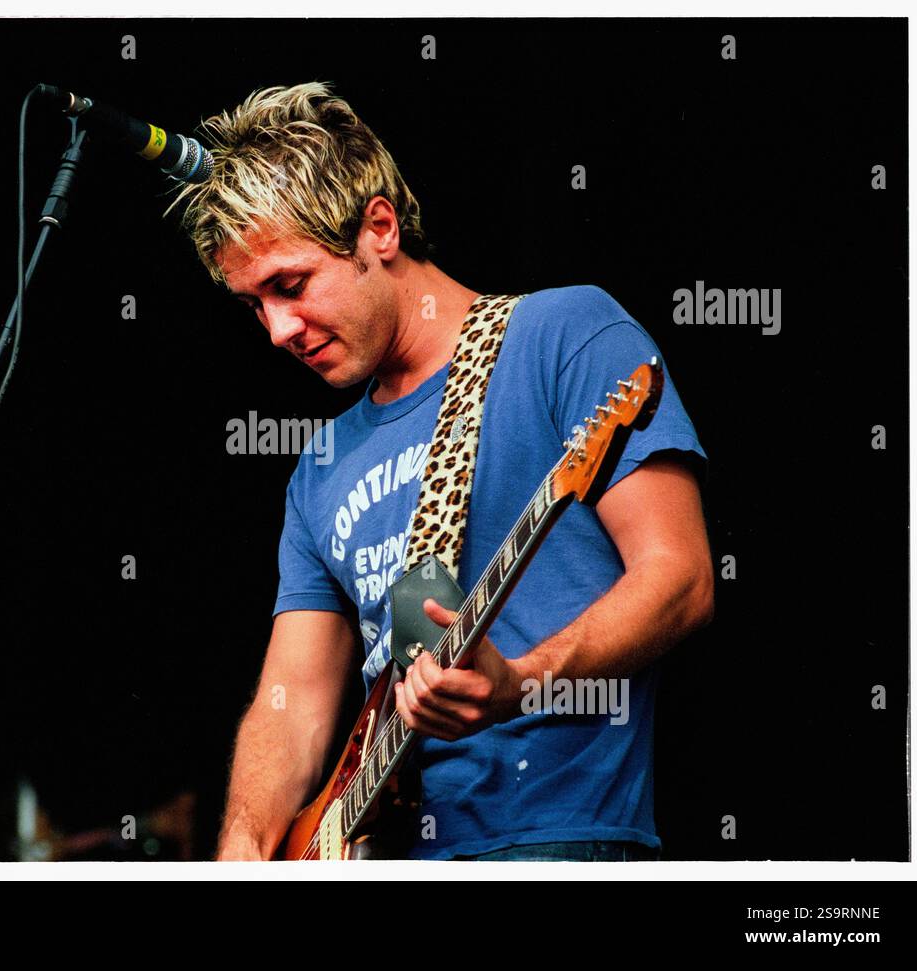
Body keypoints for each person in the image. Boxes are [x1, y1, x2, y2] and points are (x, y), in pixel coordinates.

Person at [168, 82, 714, 861]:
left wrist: (524, 677)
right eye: (254, 305)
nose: (278, 329)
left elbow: (682, 576)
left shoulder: (562, 335)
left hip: (552, 840)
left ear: (379, 228)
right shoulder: (318, 469)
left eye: (290, 285)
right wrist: (245, 843)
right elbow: (294, 704)